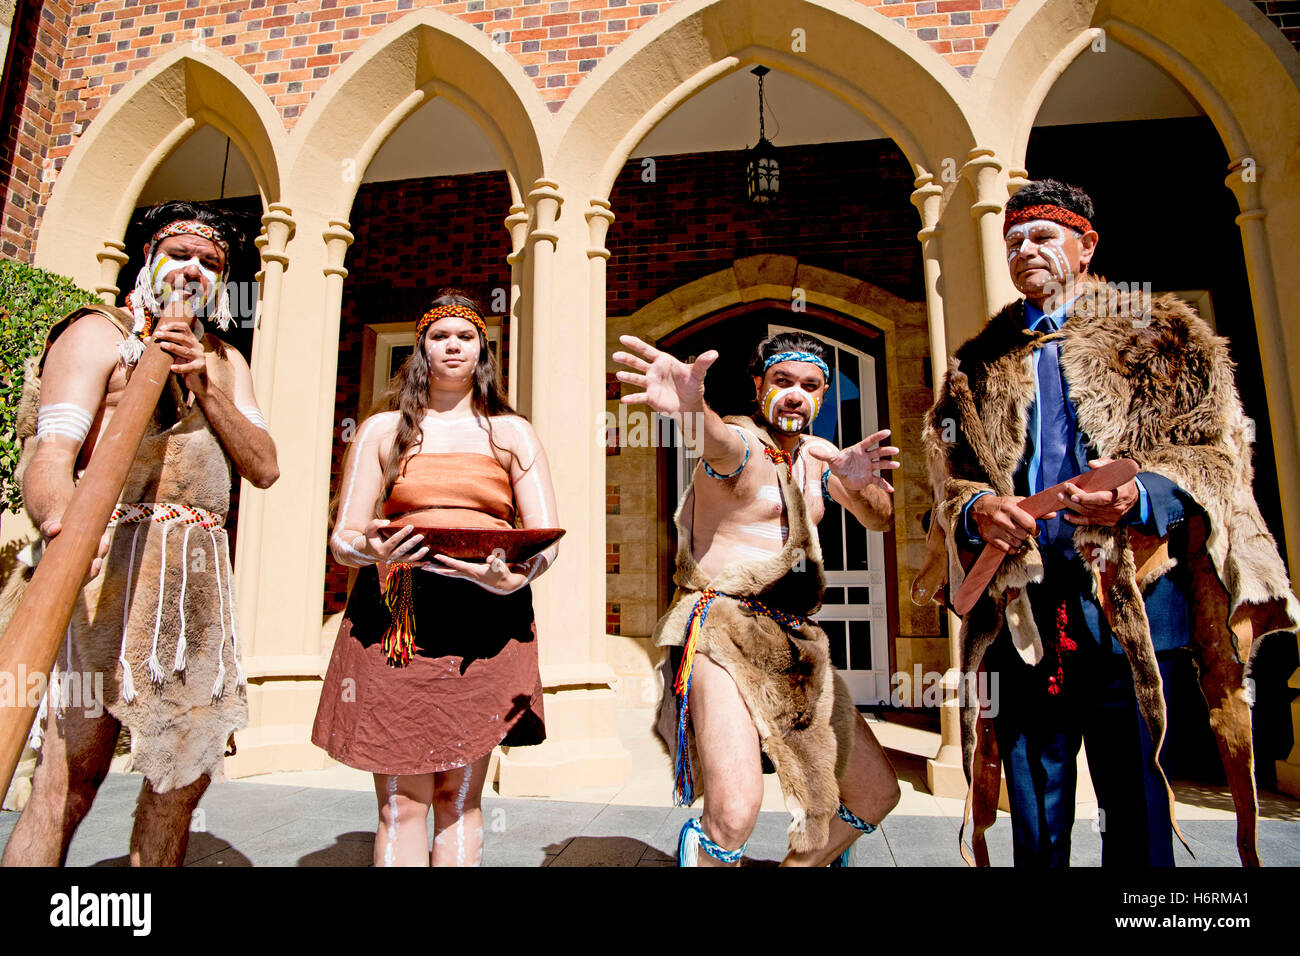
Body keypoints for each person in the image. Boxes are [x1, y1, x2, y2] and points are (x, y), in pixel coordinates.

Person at [919, 178, 1298, 866]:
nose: (1024, 250)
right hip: (1023, 606)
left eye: (1041, 236)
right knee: (1035, 808)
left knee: (1138, 804)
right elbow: (949, 471)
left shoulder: (1163, 334)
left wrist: (1142, 495)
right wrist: (977, 509)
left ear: (1086, 244)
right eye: (1012, 241)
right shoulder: (976, 362)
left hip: (1132, 603)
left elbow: (1215, 455)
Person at [3, 200, 278, 866]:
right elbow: (50, 458)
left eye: (211, 263)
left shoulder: (225, 362)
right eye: (178, 253)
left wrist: (202, 383)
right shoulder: (98, 334)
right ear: (145, 260)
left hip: (194, 584)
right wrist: (62, 525)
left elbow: (265, 465)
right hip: (106, 575)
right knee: (70, 775)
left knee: (180, 781)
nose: (192, 269)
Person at [613, 330, 902, 867]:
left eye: (811, 385)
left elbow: (879, 518)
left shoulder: (819, 459)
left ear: (823, 396)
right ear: (758, 385)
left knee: (876, 794)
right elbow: (716, 440)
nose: (796, 394)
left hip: (792, 640)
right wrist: (692, 410)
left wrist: (857, 481)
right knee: (736, 809)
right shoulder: (742, 445)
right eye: (783, 381)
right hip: (722, 629)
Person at [312, 290, 557, 867]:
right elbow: (343, 538)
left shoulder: (512, 433)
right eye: (441, 336)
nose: (453, 345)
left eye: (466, 336)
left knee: (460, 798)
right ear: (421, 348)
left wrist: (516, 578)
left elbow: (544, 538)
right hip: (396, 622)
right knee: (401, 805)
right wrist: (371, 549)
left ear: (482, 350)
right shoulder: (380, 429)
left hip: (488, 622)